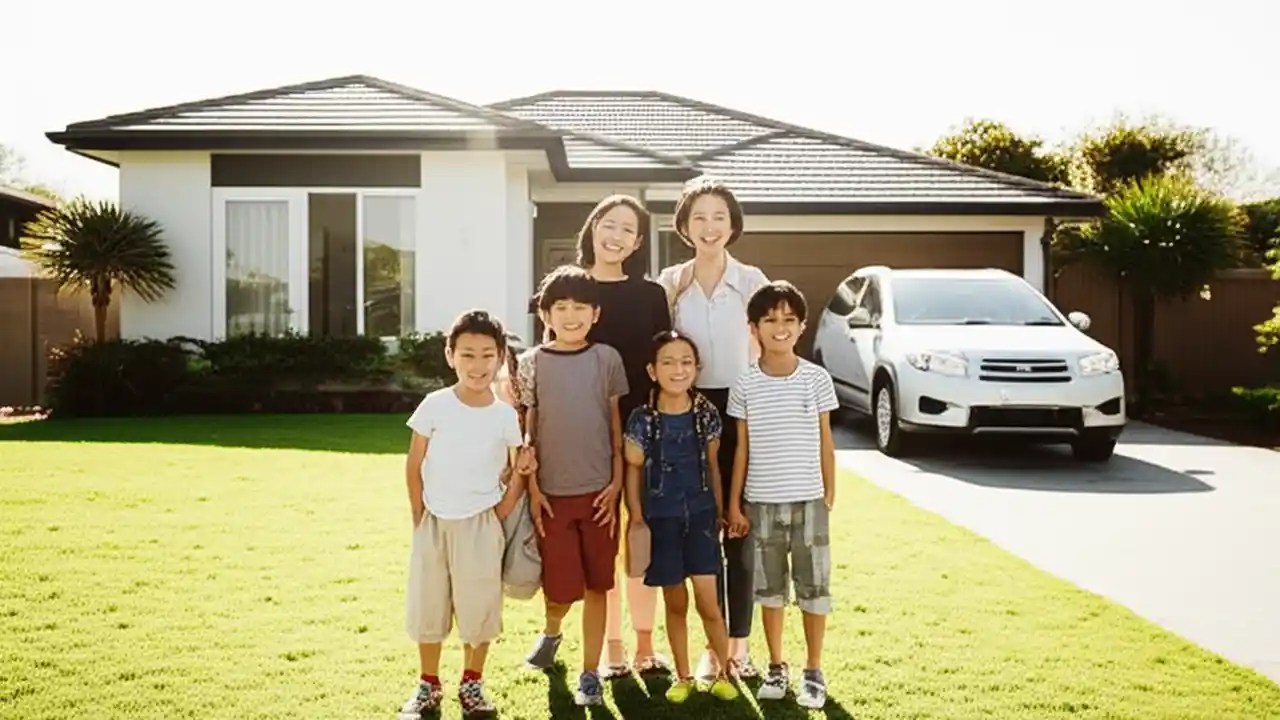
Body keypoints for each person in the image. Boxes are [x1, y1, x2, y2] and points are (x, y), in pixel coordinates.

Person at [656, 177, 769, 681]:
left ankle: (739, 648)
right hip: (689, 413)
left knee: (740, 531)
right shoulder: (670, 282)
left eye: (719, 217)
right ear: (684, 226)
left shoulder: (752, 281)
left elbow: (773, 346)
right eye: (699, 217)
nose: (709, 227)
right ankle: (711, 647)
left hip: (743, 410)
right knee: (699, 534)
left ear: (732, 224)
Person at [399, 310, 528, 718]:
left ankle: (472, 683)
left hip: (481, 523)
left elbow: (516, 469)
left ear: (501, 357)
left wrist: (500, 512)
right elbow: (414, 463)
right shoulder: (435, 405)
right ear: (450, 355)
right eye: (468, 355)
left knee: (479, 606)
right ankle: (427, 684)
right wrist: (419, 514)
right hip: (434, 521)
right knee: (429, 603)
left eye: (488, 355)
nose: (478, 365)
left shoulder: (506, 415)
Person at [516, 265, 629, 707]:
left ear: (595, 313)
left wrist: (617, 480)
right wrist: (534, 487)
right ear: (545, 313)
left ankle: (589, 673)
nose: (570, 315)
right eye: (560, 307)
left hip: (599, 492)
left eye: (580, 306)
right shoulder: (531, 363)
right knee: (560, 588)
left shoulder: (608, 359)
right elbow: (530, 426)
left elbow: (615, 427)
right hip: (551, 496)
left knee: (599, 584)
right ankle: (551, 633)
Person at [570, 194, 673, 679]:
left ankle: (646, 645)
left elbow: (663, 363)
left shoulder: (651, 295)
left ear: (636, 242)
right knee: (602, 538)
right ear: (592, 228)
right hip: (585, 431)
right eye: (608, 224)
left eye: (627, 229)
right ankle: (611, 647)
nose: (615, 235)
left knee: (642, 533)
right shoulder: (569, 288)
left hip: (645, 428)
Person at [726, 281, 838, 710]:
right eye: (770, 320)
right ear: (753, 328)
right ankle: (777, 665)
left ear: (802, 326)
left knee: (814, 588)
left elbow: (825, 440)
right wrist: (735, 503)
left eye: (789, 319)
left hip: (809, 501)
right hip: (761, 504)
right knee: (769, 591)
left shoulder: (816, 379)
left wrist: (828, 493)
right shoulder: (746, 384)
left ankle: (813, 669)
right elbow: (742, 449)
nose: (780, 327)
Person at [623, 331, 739, 704]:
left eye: (686, 362)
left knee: (708, 601)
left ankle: (726, 672)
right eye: (668, 362)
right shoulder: (642, 419)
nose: (678, 369)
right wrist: (636, 516)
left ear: (697, 368)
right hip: (662, 519)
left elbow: (713, 466)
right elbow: (633, 471)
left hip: (702, 517)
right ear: (652, 370)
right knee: (675, 602)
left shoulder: (706, 414)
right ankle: (684, 675)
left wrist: (720, 511)